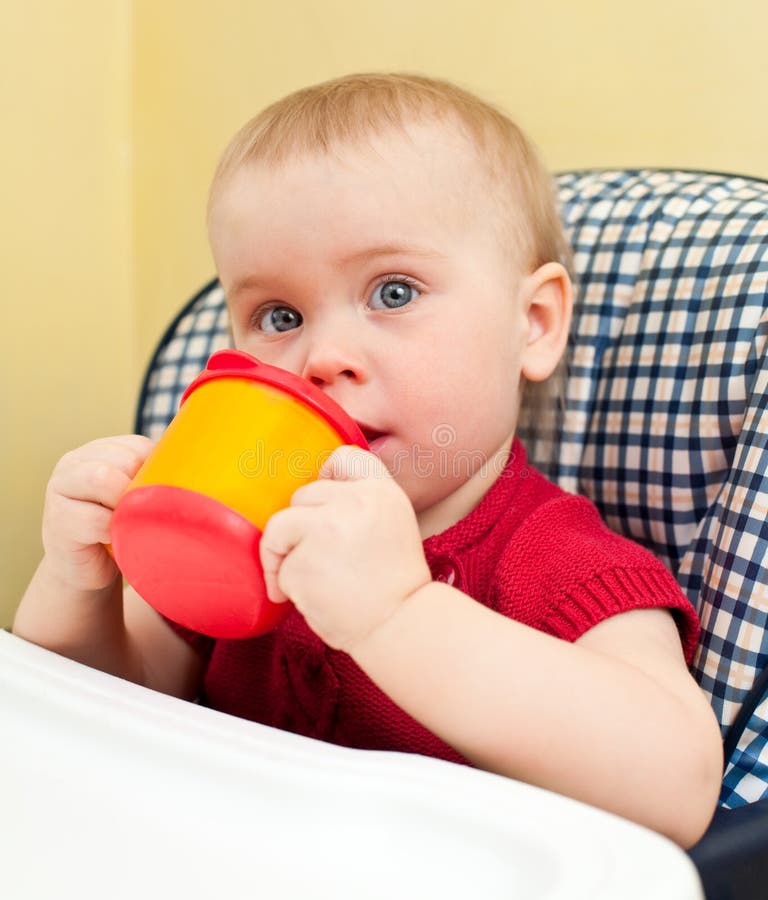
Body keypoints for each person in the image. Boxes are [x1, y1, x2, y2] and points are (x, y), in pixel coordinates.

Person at [13, 73, 722, 846]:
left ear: (534, 324)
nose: (324, 356)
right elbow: (99, 719)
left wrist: (396, 615)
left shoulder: (558, 563)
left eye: (393, 292)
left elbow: (675, 789)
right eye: (278, 316)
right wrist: (79, 586)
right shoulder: (237, 517)